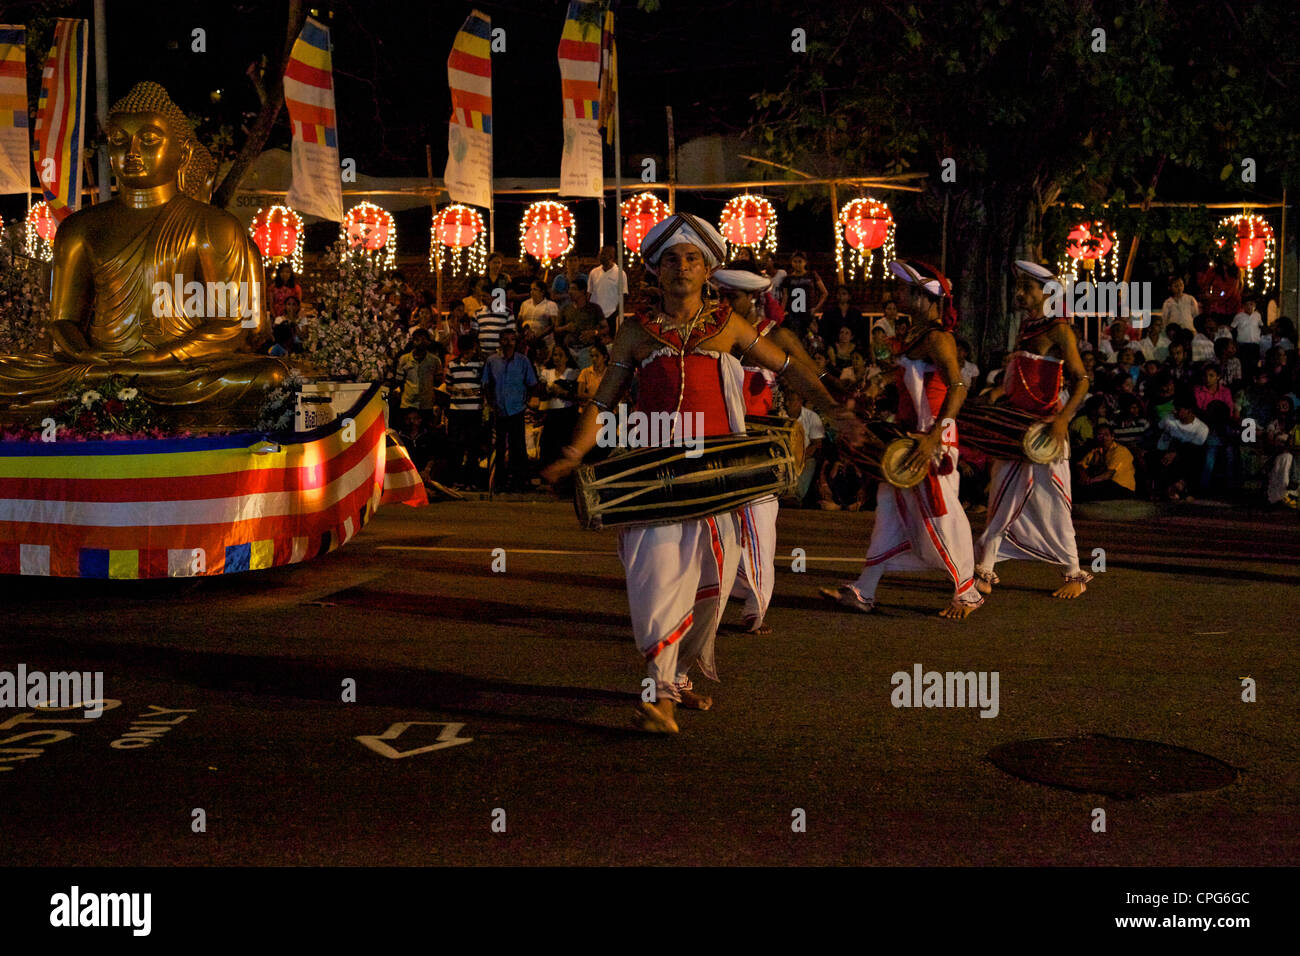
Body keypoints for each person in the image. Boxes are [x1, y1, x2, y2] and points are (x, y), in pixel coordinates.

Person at [541, 213, 856, 734]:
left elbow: (789, 368)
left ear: (708, 270)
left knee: (714, 581)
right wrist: (574, 454)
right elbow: (603, 401)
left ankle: (679, 675)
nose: (682, 267)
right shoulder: (636, 334)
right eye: (671, 259)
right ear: (655, 272)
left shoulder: (728, 327)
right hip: (654, 476)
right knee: (658, 577)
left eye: (692, 259)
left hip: (718, 476)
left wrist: (832, 408)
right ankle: (659, 690)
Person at [822, 259, 985, 620]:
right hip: (909, 438)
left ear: (924, 297)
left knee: (940, 514)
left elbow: (958, 387)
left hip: (931, 441)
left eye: (902, 290)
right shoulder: (914, 335)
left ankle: (968, 589)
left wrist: (932, 439)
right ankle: (864, 589)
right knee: (888, 508)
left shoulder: (938, 338)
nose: (895, 294)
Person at [975, 261, 1094, 600]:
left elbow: (1082, 380)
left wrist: (1061, 421)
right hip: (1016, 426)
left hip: (1044, 431)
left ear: (1047, 293)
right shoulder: (1028, 326)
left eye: (1027, 288)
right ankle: (985, 568)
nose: (1020, 293)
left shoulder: (1059, 330)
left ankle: (1074, 573)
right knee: (1001, 493)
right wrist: (996, 393)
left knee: (1055, 501)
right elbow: (1021, 374)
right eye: (1020, 287)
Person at [482, 327, 538, 493]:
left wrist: (526, 401)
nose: (508, 343)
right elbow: (486, 383)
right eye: (505, 340)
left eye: (512, 340)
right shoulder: (492, 361)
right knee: (499, 447)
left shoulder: (523, 361)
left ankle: (519, 481)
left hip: (517, 409)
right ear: (500, 341)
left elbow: (533, 384)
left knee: (518, 447)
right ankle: (500, 481)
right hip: (499, 410)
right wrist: (491, 403)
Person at [446, 333, 486, 489]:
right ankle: (456, 479)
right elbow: (448, 385)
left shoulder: (480, 365)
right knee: (455, 445)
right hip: (456, 409)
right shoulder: (453, 365)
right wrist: (456, 390)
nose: (472, 352)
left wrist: (474, 392)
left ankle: (472, 480)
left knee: (473, 445)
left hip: (474, 409)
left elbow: (484, 386)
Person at [539, 343, 580, 467]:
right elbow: (541, 394)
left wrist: (562, 392)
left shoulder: (573, 373)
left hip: (567, 414)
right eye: (555, 355)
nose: (557, 358)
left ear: (567, 358)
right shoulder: (547, 373)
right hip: (552, 414)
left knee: (564, 446)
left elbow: (575, 395)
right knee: (548, 446)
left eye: (560, 355)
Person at [1074, 425, 1136, 500]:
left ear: (1112, 436)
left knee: (1100, 486)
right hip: (1107, 485)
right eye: (1100, 435)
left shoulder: (1120, 451)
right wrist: (1083, 475)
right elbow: (1080, 465)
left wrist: (1089, 481)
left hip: (1123, 488)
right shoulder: (1097, 450)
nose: (1103, 438)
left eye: (1106, 435)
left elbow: (1108, 475)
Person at [395, 329, 444, 414]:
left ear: (428, 342)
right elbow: (399, 380)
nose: (420, 343)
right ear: (413, 341)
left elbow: (438, 380)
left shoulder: (434, 361)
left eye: (423, 340)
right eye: (417, 340)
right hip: (408, 404)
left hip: (427, 404)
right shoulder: (404, 359)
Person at [781, 250, 827, 337]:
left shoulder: (812, 275)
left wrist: (816, 308)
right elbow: (785, 296)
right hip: (793, 315)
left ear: (805, 262)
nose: (797, 264)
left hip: (808, 314)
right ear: (791, 262)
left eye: (800, 261)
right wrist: (781, 312)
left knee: (811, 338)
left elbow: (824, 293)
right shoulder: (788, 278)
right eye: (795, 261)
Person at [587, 245, 628, 330]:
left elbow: (623, 296)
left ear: (611, 256)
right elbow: (589, 293)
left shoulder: (620, 273)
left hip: (611, 315)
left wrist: (616, 314)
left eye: (603, 254)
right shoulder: (593, 272)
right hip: (596, 316)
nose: (600, 257)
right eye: (600, 254)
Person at [1231, 298, 1263, 382]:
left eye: (1251, 304)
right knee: (1244, 365)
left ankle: (1253, 382)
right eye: (1247, 304)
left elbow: (1261, 325)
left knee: (1254, 365)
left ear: (1254, 306)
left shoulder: (1257, 315)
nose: (1249, 306)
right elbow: (1232, 327)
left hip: (1255, 345)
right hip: (1243, 346)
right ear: (1243, 306)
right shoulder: (1239, 316)